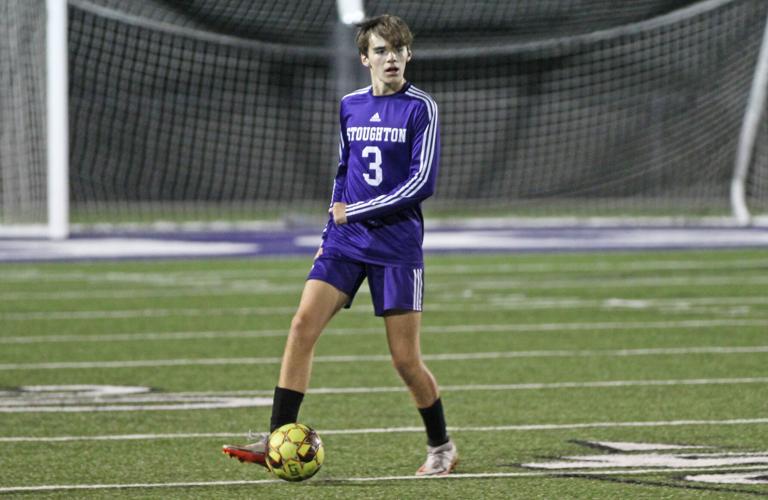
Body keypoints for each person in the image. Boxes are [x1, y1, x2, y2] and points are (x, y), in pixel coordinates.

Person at [223, 14, 457, 476]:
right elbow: (341, 174)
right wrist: (328, 236)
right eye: (381, 50)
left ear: (408, 55)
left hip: (396, 246)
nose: (390, 58)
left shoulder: (420, 108)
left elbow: (420, 184)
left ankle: (441, 445)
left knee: (405, 360)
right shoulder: (349, 104)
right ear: (364, 58)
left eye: (398, 49)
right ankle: (276, 438)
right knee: (301, 326)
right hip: (345, 242)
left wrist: (358, 212)